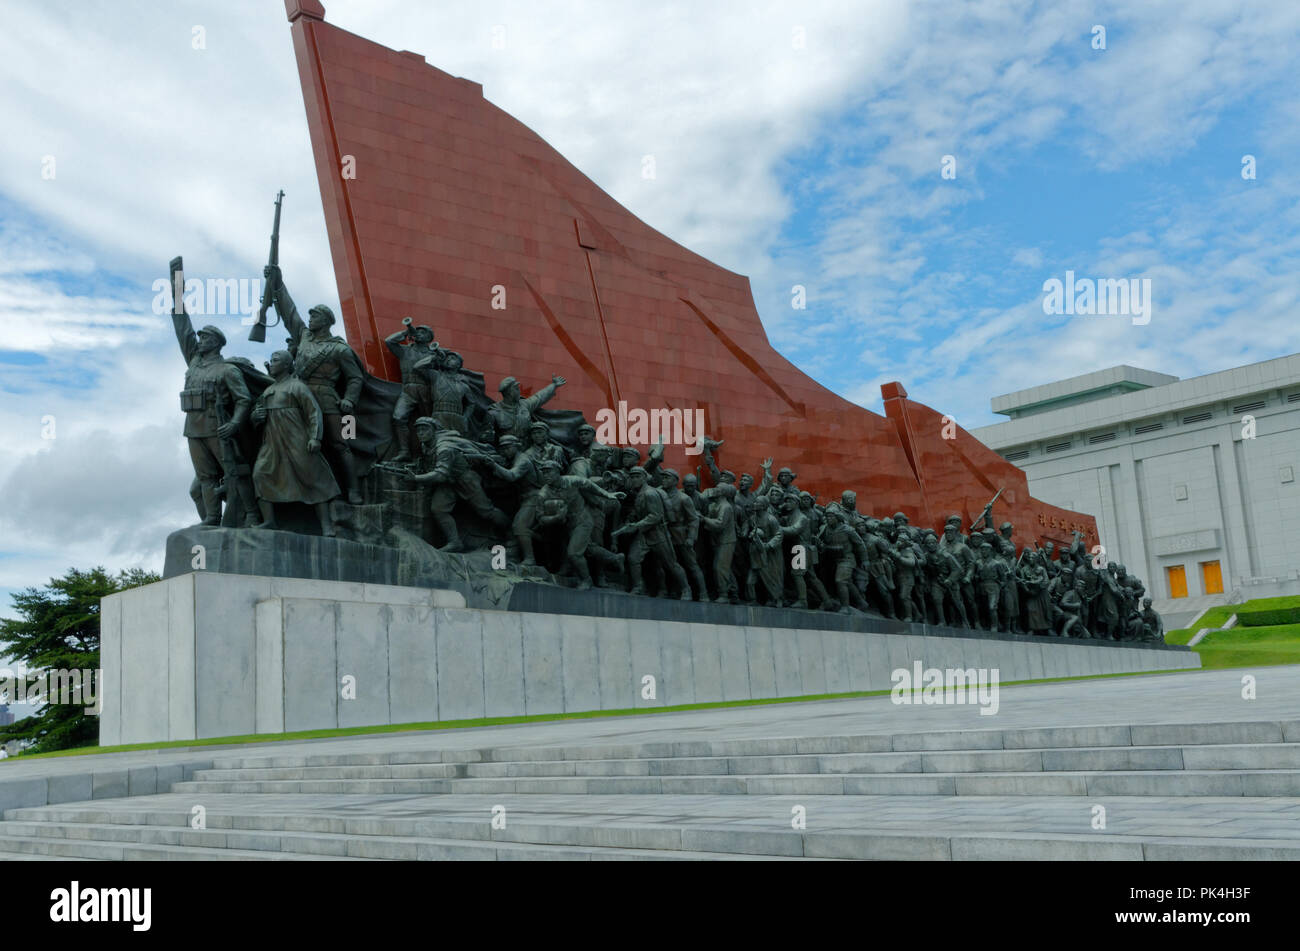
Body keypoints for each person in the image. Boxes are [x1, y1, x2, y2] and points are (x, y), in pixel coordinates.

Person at [249, 350, 339, 535]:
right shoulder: (269, 390)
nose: (271, 363)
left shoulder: (297, 386)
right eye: (271, 360)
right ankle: (269, 521)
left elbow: (313, 412)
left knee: (312, 477)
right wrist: (255, 417)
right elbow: (257, 415)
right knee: (260, 474)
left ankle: (326, 525)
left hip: (296, 438)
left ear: (286, 365)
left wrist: (315, 437)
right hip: (272, 441)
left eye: (276, 360)